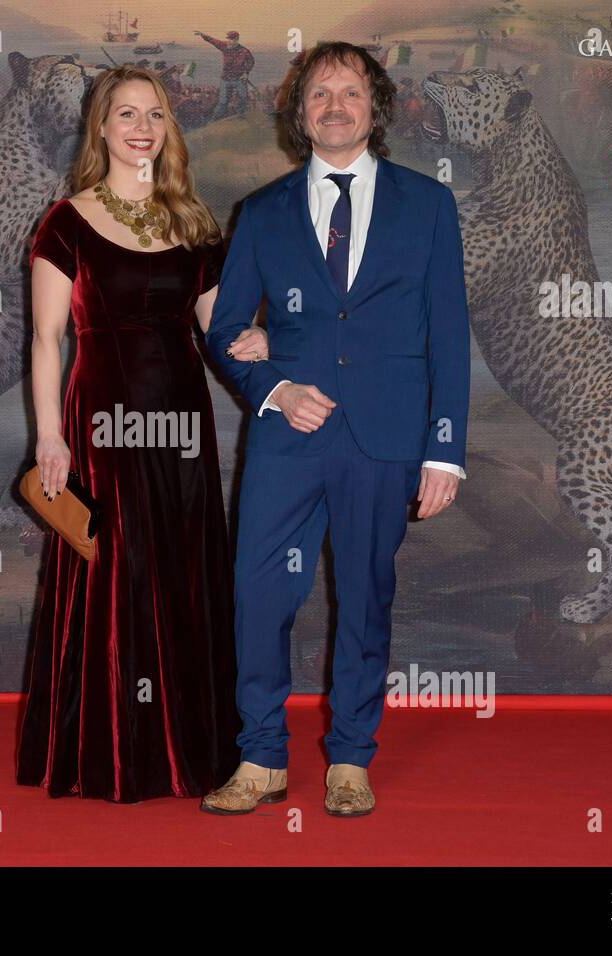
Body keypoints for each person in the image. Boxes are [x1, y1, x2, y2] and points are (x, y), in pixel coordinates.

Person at [200, 41, 470, 816]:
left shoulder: (428, 205)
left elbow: (449, 334)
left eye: (350, 92)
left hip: (385, 440)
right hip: (287, 441)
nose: (335, 105)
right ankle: (260, 757)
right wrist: (276, 383)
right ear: (300, 112)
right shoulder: (262, 212)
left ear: (374, 108)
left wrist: (444, 450)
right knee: (257, 594)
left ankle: (351, 757)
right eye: (320, 93)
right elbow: (223, 331)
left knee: (365, 596)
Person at [18, 65, 268, 803]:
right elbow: (45, 339)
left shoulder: (191, 221)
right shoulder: (65, 220)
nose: (140, 128)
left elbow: (220, 333)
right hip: (103, 424)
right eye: (125, 114)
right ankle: (113, 751)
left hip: (184, 429)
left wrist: (263, 344)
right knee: (118, 573)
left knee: (181, 570)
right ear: (100, 127)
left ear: (169, 128)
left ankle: (187, 747)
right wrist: (50, 438)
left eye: (154, 115)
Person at [194, 30, 254, 122]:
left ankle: (240, 114)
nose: (229, 41)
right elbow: (213, 41)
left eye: (231, 39)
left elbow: (251, 61)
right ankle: (214, 119)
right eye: (228, 39)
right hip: (225, 79)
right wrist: (203, 35)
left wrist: (246, 73)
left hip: (239, 79)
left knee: (243, 97)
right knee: (223, 102)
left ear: (237, 39)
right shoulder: (224, 46)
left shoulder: (244, 51)